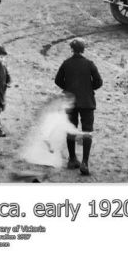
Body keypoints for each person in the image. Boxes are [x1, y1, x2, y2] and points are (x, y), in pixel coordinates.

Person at [54, 38, 103, 176]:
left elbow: (58, 80)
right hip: (87, 102)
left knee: (71, 129)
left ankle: (72, 159)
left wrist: (69, 88)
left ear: (72, 49)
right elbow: (99, 82)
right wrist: (88, 88)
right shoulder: (89, 64)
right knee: (87, 131)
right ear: (83, 50)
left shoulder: (66, 64)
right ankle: (85, 163)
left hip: (70, 102)